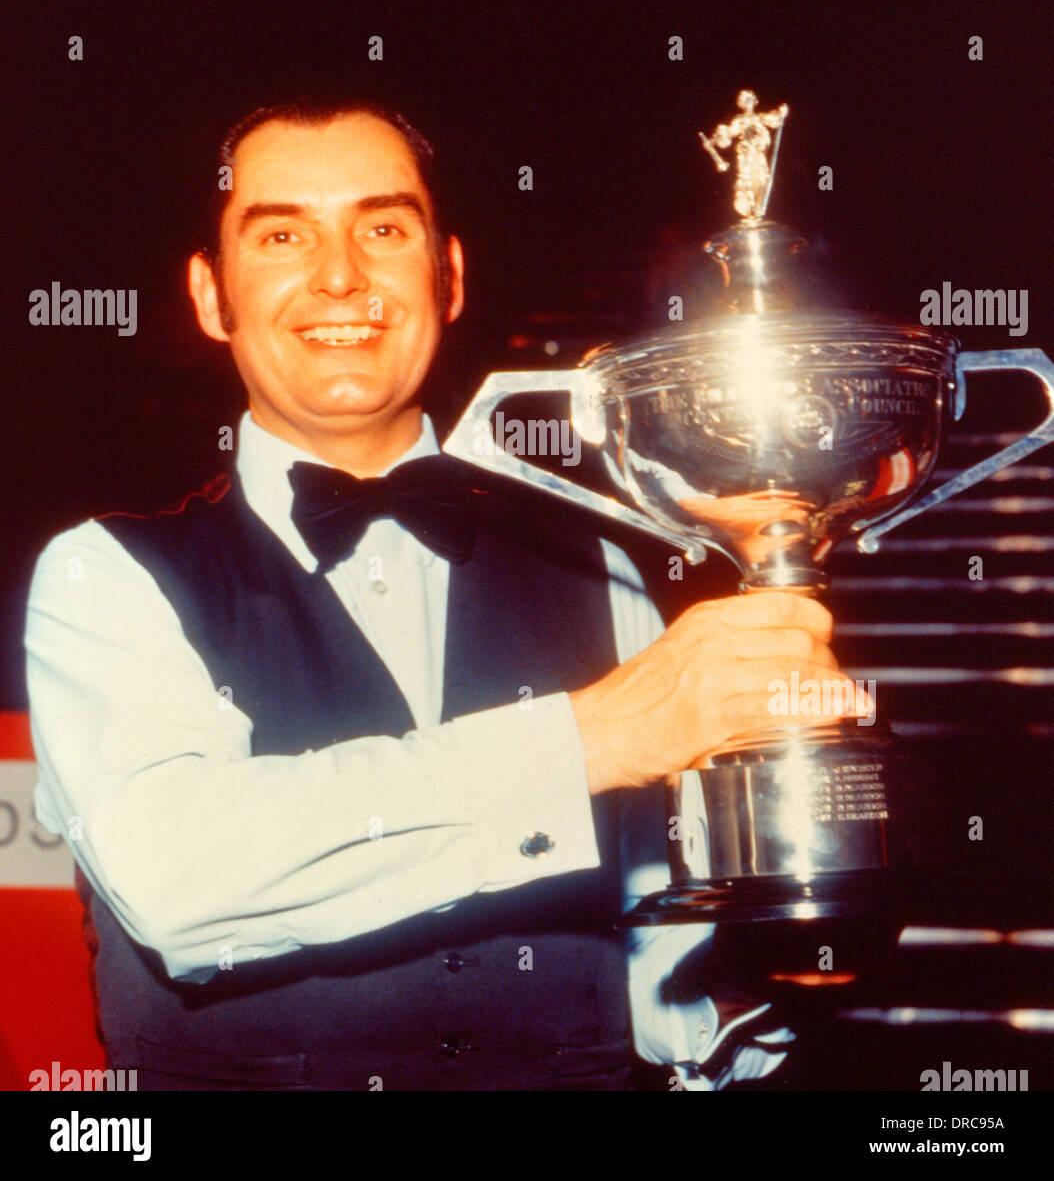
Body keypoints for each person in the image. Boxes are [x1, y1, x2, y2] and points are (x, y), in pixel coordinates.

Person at [25, 96, 860, 1090]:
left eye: (383, 228)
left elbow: (649, 964)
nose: (340, 275)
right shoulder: (102, 574)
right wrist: (595, 736)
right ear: (211, 298)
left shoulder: (597, 569)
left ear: (448, 275)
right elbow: (180, 881)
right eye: (283, 233)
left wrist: (770, 978)